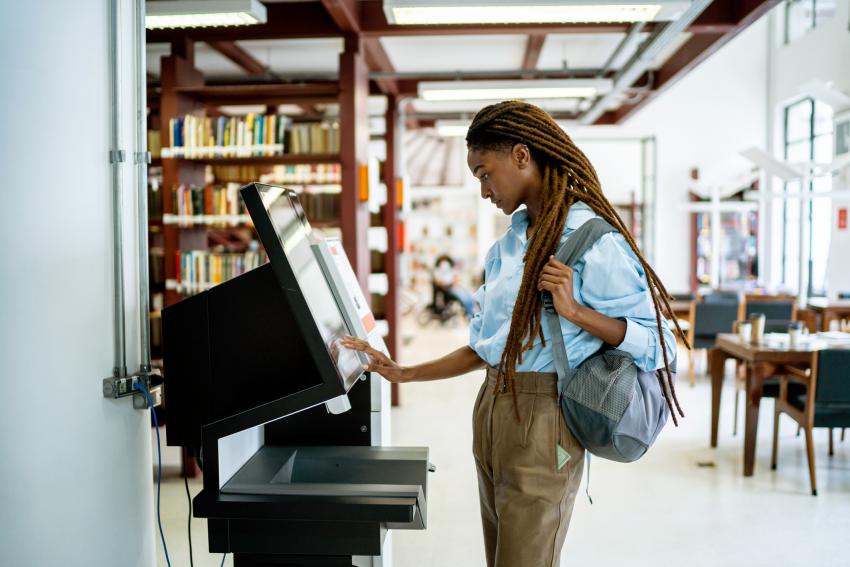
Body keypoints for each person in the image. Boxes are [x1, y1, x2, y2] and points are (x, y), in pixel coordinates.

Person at [341, 101, 684, 567]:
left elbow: (657, 339)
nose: (483, 190)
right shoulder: (508, 247)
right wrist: (405, 373)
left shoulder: (591, 238)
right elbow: (488, 350)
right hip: (492, 411)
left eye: (485, 173)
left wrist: (576, 312)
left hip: (546, 420)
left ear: (522, 155)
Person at [431, 254, 476, 319]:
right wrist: (450, 283)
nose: (444, 264)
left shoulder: (450, 271)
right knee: (465, 299)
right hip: (449, 290)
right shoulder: (438, 272)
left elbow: (456, 279)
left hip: (456, 288)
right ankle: (470, 315)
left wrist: (455, 281)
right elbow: (439, 283)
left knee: (470, 297)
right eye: (443, 262)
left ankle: (472, 313)